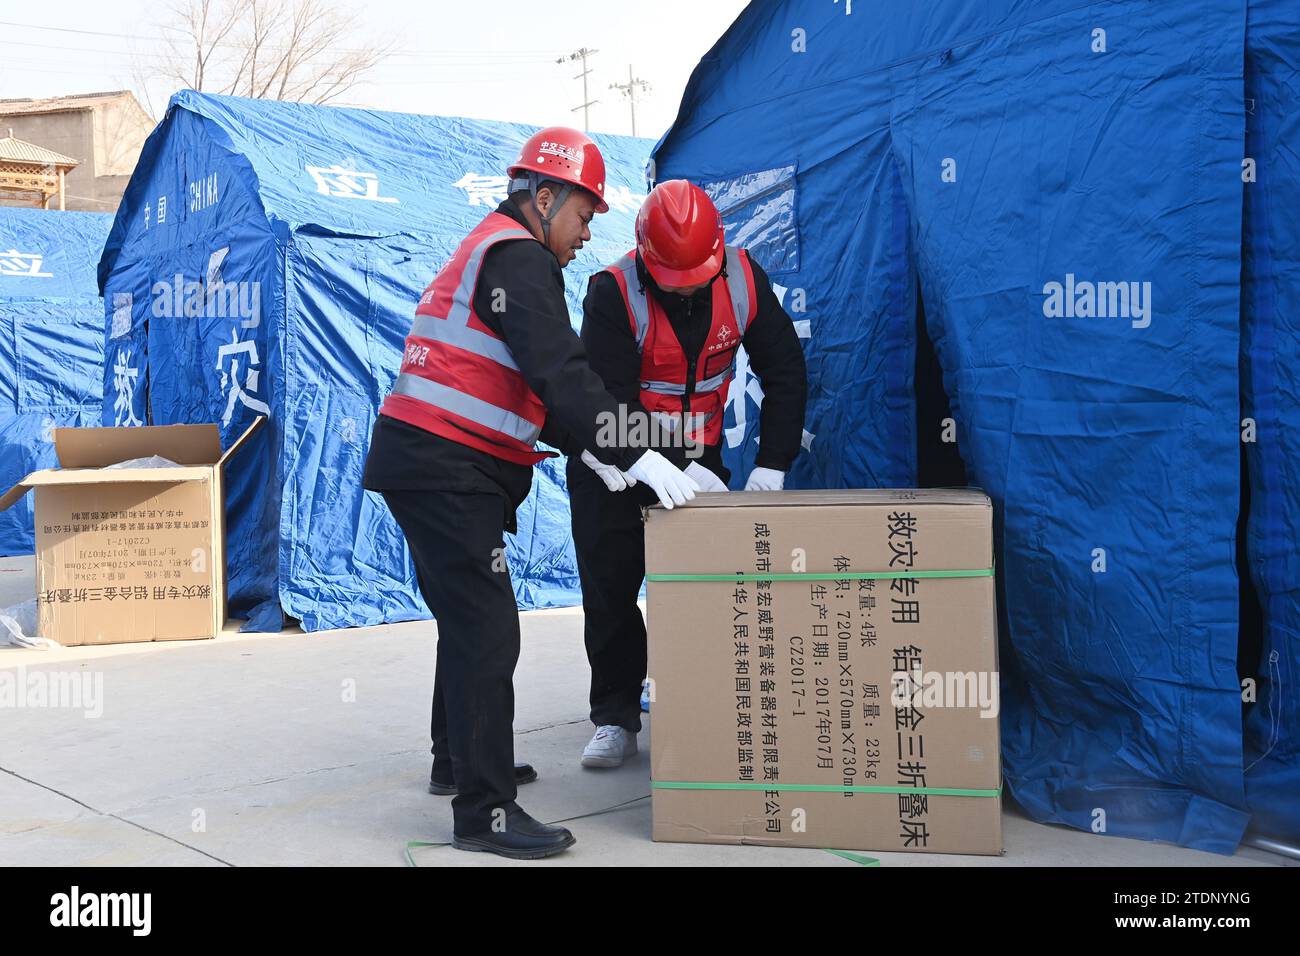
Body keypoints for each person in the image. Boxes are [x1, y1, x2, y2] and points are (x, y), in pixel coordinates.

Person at [362, 130, 699, 860]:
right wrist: (636, 452)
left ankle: (458, 760)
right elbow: (563, 375)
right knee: (488, 628)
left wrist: (618, 456)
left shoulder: (491, 251)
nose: (585, 235)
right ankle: (484, 812)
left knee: (467, 619)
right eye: (583, 215)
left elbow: (537, 395)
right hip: (444, 465)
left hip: (432, 461)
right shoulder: (518, 257)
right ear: (544, 199)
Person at [565, 179, 808, 768]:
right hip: (615, 466)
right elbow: (608, 400)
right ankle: (615, 716)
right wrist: (661, 466)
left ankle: (699, 706)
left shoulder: (746, 280)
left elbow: (786, 373)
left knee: (702, 590)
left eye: (698, 276)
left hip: (701, 461)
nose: (687, 291)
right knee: (612, 590)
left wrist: (772, 464)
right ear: (647, 258)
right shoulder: (612, 292)